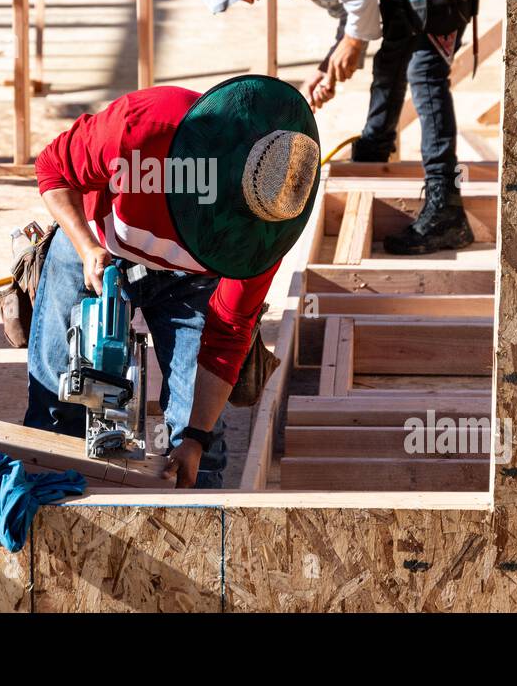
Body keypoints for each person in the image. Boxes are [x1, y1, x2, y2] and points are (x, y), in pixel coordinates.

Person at [25, 76, 320, 488]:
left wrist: (195, 439)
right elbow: (53, 170)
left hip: (192, 283)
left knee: (200, 442)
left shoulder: (263, 234)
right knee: (56, 401)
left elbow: (228, 335)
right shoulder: (140, 129)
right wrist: (86, 247)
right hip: (97, 243)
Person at [192, 0, 493, 255]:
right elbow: (349, 7)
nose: (249, 2)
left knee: (425, 75)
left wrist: (350, 45)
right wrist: (328, 66)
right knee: (391, 61)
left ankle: (445, 208)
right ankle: (373, 157)